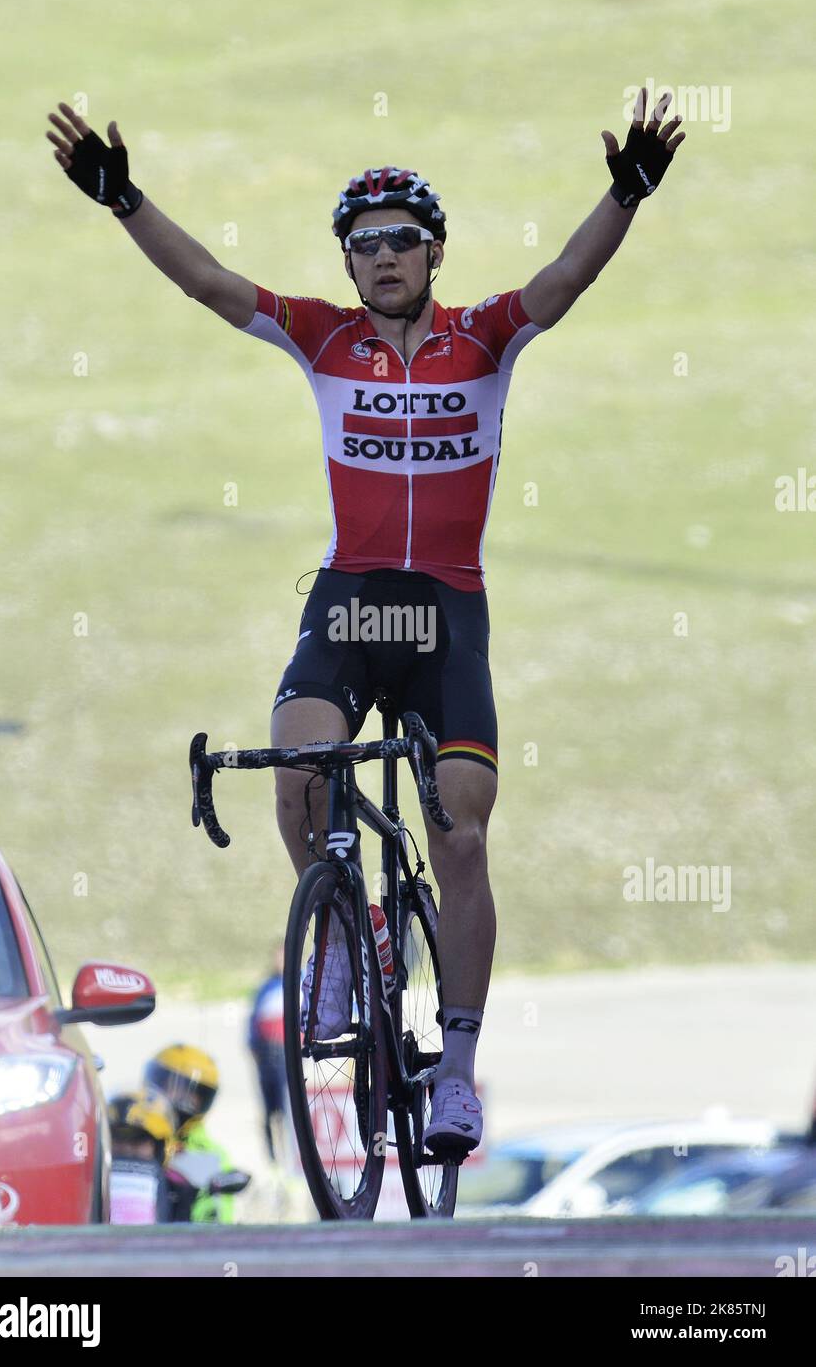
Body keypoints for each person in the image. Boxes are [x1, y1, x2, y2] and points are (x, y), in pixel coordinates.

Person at [47, 90, 685, 1156]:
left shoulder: (483, 340)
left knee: (464, 831)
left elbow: (563, 282)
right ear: (346, 264)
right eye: (361, 245)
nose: (381, 257)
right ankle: (346, 925)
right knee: (297, 774)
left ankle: (460, 1076)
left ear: (433, 252)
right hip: (349, 597)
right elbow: (212, 285)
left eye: (400, 241)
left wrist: (625, 193)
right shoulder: (323, 336)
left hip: (444, 609)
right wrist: (124, 200)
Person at [143, 1044, 237, 1222]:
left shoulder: (211, 1155)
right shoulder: (129, 1132)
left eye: (188, 1093)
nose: (173, 1096)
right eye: (168, 1085)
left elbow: (217, 1220)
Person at [107, 1088, 177, 1224]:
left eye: (138, 1140)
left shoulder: (181, 1191)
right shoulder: (83, 1185)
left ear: (160, 1148)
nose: (126, 1149)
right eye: (118, 1138)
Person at [247, 947, 288, 1163]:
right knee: (270, 1110)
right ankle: (274, 1159)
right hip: (267, 1055)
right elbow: (252, 1022)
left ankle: (293, 1156)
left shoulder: (301, 982)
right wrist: (253, 1047)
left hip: (290, 1056)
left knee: (290, 1108)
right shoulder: (265, 988)